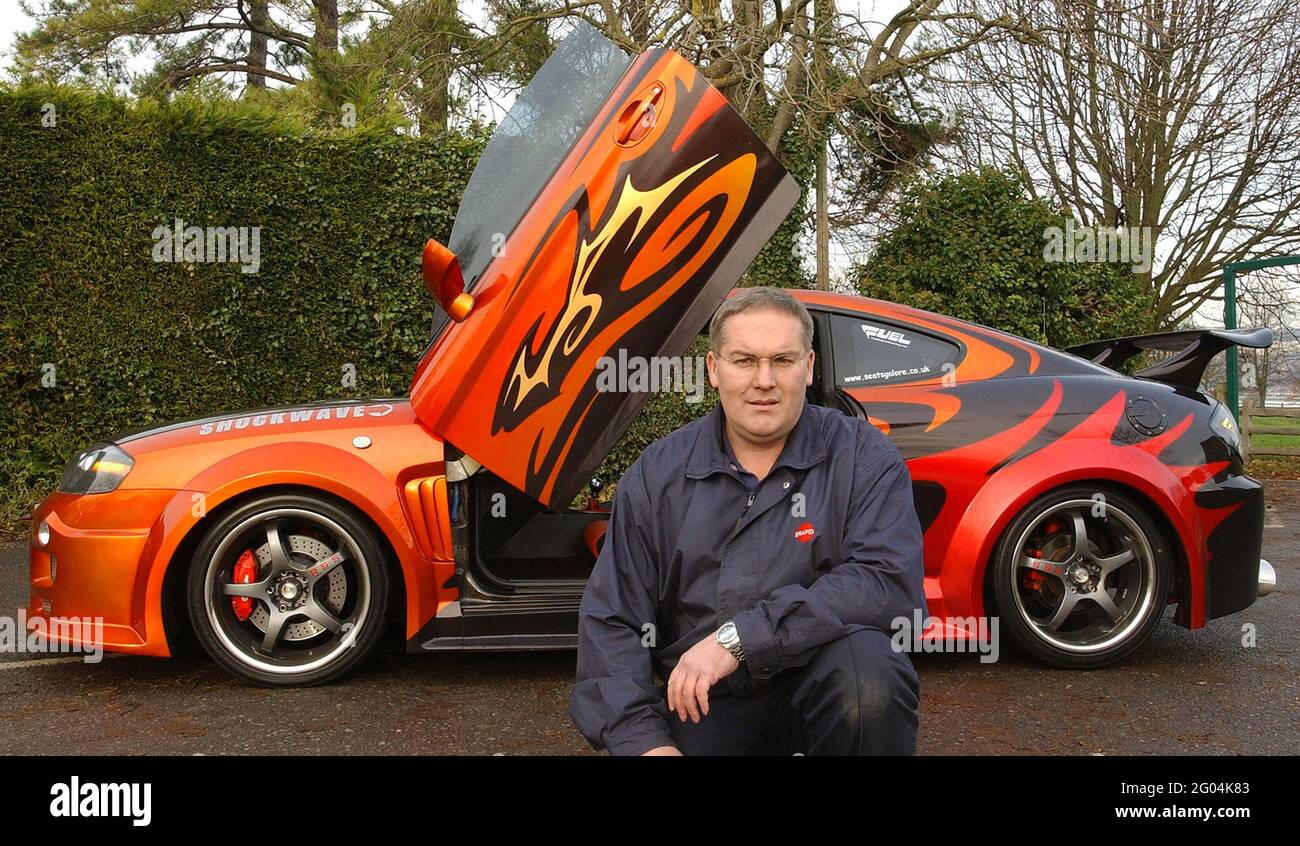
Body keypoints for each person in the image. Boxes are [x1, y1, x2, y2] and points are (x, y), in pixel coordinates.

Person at [569, 287, 928, 756]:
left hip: (824, 681)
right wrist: (643, 742)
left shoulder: (862, 456)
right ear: (714, 370)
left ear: (809, 367)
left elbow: (886, 584)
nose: (764, 380)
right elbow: (613, 618)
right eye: (744, 360)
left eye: (782, 360)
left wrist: (738, 639)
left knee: (870, 678)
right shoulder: (660, 472)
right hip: (706, 700)